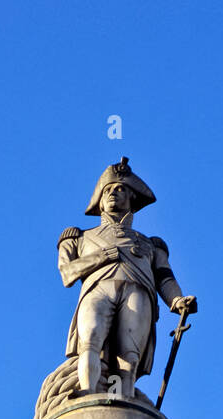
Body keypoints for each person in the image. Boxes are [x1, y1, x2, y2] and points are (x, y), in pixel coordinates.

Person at [58, 158, 196, 401]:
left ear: (132, 198)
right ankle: (88, 392)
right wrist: (101, 257)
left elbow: (164, 276)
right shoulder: (79, 238)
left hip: (138, 291)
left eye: (120, 189)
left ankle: (123, 399)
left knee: (129, 354)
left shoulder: (150, 244)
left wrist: (177, 301)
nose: (113, 194)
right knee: (90, 340)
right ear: (99, 201)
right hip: (97, 289)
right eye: (108, 190)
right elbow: (67, 273)